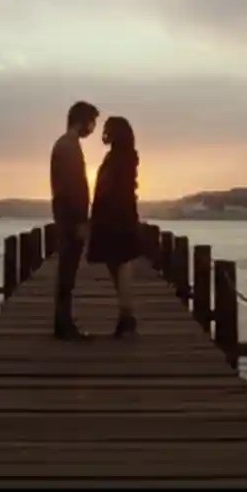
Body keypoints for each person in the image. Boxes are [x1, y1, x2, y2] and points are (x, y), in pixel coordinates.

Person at [86, 116, 142, 338]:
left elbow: (112, 189)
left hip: (116, 218)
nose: (104, 134)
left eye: (108, 130)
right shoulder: (123, 156)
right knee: (117, 265)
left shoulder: (121, 158)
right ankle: (125, 315)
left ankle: (127, 317)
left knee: (121, 265)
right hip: (116, 217)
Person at [50, 100, 99, 340]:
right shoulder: (69, 147)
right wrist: (81, 220)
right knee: (67, 271)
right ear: (82, 121)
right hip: (70, 217)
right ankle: (63, 324)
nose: (93, 128)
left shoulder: (65, 144)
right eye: (92, 123)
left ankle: (63, 321)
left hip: (65, 215)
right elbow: (73, 187)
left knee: (67, 270)